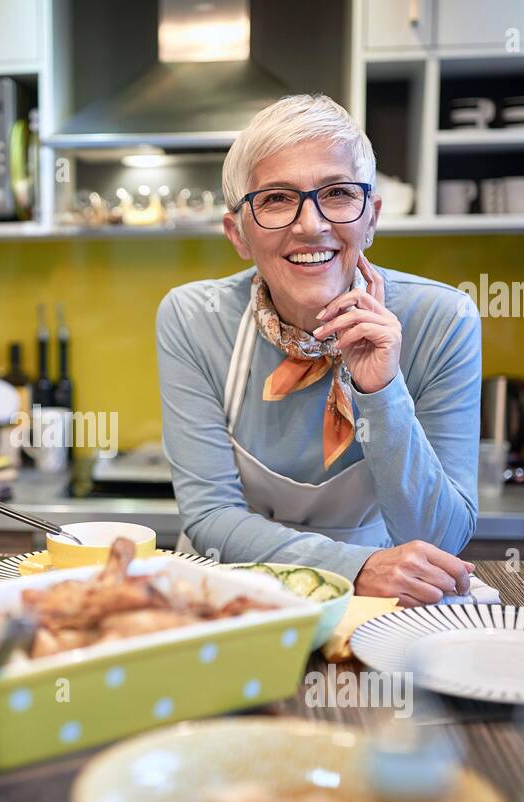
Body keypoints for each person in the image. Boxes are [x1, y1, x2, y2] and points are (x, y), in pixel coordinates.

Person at [157, 94, 480, 606]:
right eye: (277, 199)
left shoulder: (443, 320)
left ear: (371, 217)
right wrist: (352, 568)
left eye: (337, 193)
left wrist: (381, 389)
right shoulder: (194, 317)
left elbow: (441, 539)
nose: (311, 224)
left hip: (382, 603)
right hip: (232, 594)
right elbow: (210, 517)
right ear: (237, 233)